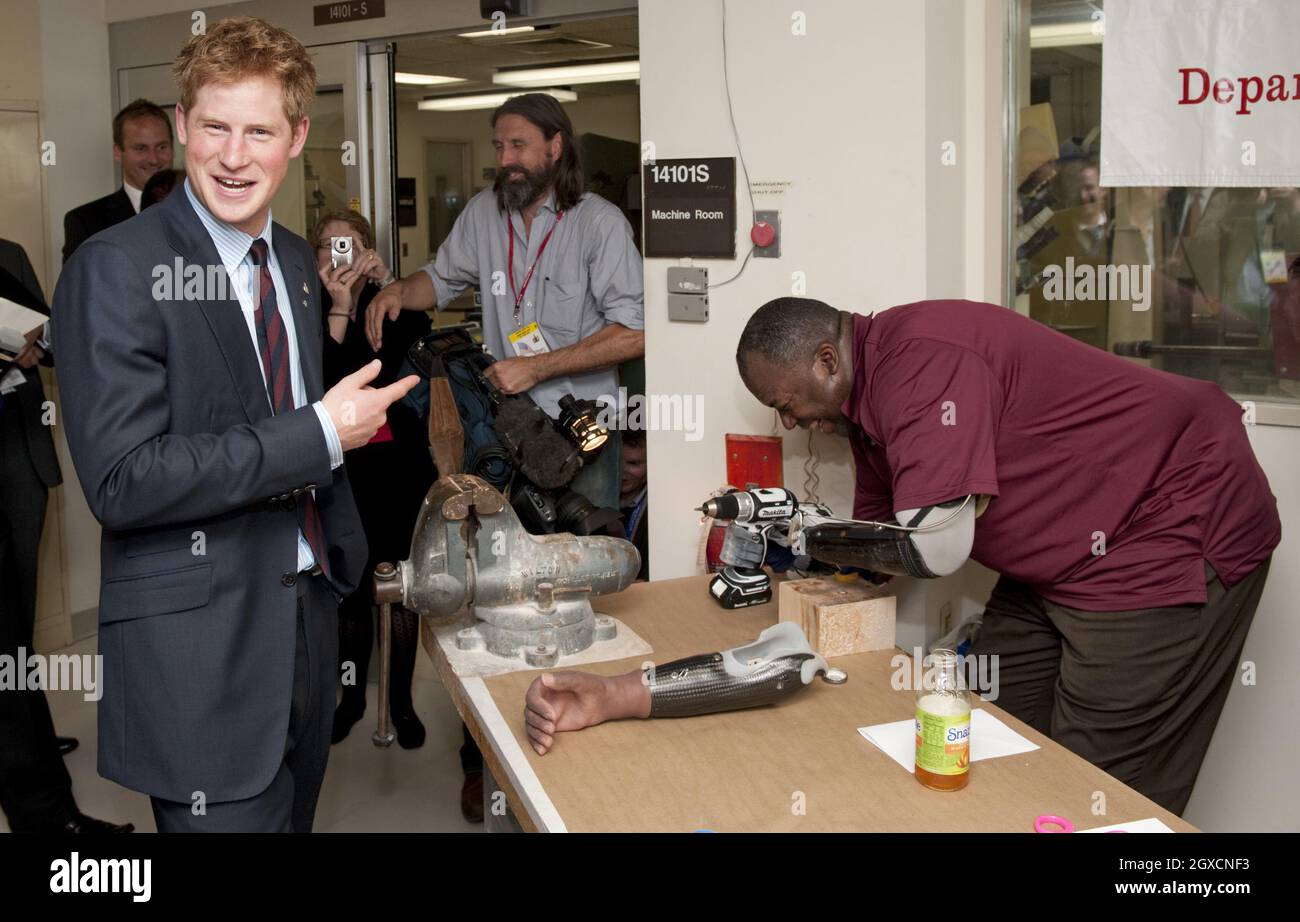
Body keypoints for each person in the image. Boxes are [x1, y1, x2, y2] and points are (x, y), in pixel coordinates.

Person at [53, 17, 417, 833]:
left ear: (296, 137)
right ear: (181, 127)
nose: (232, 154)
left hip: (305, 618)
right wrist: (321, 434)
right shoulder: (114, 268)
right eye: (213, 127)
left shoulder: (292, 260)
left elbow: (275, 410)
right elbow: (123, 480)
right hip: (200, 655)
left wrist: (343, 565)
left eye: (258, 131)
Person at [732, 296, 1278, 815]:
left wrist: (818, 534)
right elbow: (880, 543)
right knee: (995, 727)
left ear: (827, 360)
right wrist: (804, 553)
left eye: (785, 404)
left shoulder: (923, 362)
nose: (788, 421)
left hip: (1166, 523)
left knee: (1098, 781)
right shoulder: (866, 402)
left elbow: (935, 548)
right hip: (1063, 555)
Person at [363, 92, 645, 822]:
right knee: (490, 590)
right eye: (499, 146)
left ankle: (586, 747)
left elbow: (632, 332)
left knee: (580, 583)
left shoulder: (599, 225)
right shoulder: (484, 217)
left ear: (556, 147)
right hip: (500, 435)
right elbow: (440, 280)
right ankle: (481, 759)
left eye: (518, 145)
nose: (505, 160)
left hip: (581, 437)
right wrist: (399, 289)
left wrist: (542, 365)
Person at [0, 238, 132, 833]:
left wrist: (33, 345)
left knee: (12, 637)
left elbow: (51, 339)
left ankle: (36, 779)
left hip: (14, 461)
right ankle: (49, 819)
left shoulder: (6, 254)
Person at [313, 209, 434, 748]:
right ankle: (353, 697)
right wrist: (339, 308)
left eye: (349, 245)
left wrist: (387, 286)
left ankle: (402, 702)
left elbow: (411, 353)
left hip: (397, 466)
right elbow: (320, 384)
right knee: (353, 591)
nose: (337, 256)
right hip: (341, 470)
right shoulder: (307, 308)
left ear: (368, 252)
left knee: (401, 586)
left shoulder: (394, 304)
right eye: (326, 246)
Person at [62, 98, 173, 263]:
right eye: (141, 148)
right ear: (117, 152)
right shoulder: (85, 222)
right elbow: (79, 285)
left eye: (162, 147)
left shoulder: (205, 211)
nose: (154, 159)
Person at [618, 427, 649, 581]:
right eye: (617, 461)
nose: (622, 471)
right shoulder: (597, 498)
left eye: (634, 463)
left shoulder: (657, 506)